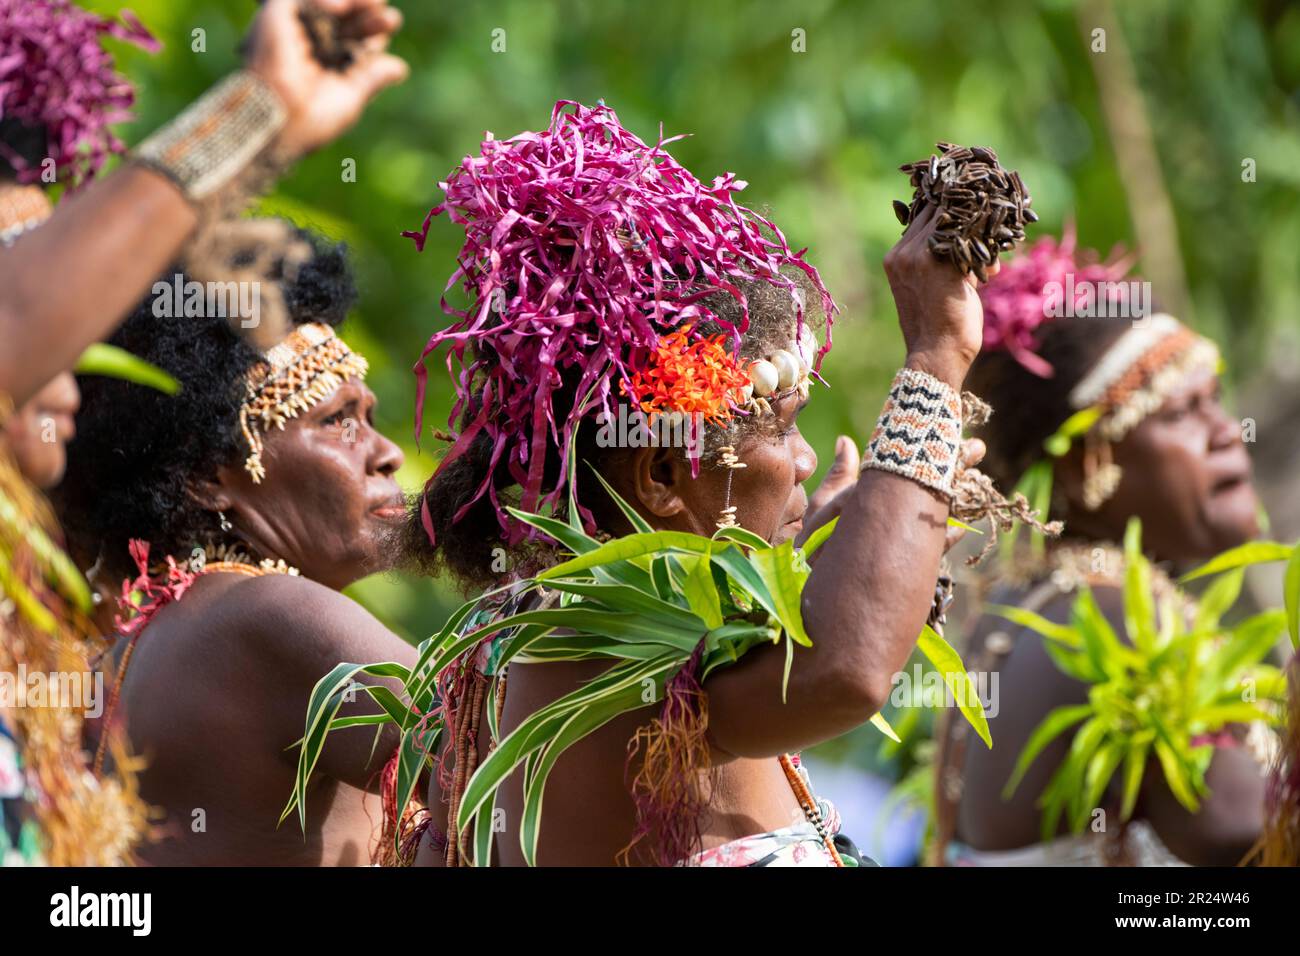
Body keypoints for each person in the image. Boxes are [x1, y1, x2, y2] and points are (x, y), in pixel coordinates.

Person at [376, 102, 996, 867]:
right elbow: (847, 672)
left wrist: (853, 552)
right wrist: (935, 361)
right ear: (665, 473)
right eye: (783, 426)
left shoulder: (510, 637)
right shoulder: (608, 659)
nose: (805, 462)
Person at [52, 226, 422, 866]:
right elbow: (520, 761)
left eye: (368, 418)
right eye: (335, 421)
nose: (385, 454)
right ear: (211, 477)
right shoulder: (270, 615)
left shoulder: (134, 648)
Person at [932, 232, 1270, 866]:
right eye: (1179, 412)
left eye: (1215, 402)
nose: (1226, 432)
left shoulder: (1024, 606)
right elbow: (1238, 828)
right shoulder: (1110, 615)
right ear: (1082, 468)